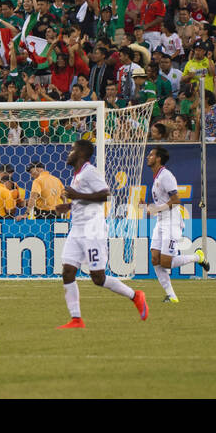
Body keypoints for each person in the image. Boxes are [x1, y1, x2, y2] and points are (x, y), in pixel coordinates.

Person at [56, 139, 148, 328]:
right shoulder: (77, 176)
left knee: (98, 278)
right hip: (77, 228)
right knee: (67, 272)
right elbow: (84, 199)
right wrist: (70, 205)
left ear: (81, 153)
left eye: (72, 150)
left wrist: (77, 196)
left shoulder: (90, 171)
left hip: (92, 229)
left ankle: (135, 295)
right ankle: (76, 319)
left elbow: (105, 194)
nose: (69, 153)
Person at [143, 146, 208, 303]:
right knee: (154, 259)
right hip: (161, 221)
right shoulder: (157, 177)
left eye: (151, 155)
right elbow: (163, 201)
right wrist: (149, 207)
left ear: (158, 158)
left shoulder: (166, 176)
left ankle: (197, 257)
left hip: (172, 221)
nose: (148, 157)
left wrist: (156, 209)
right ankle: (171, 296)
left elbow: (176, 200)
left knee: (166, 262)